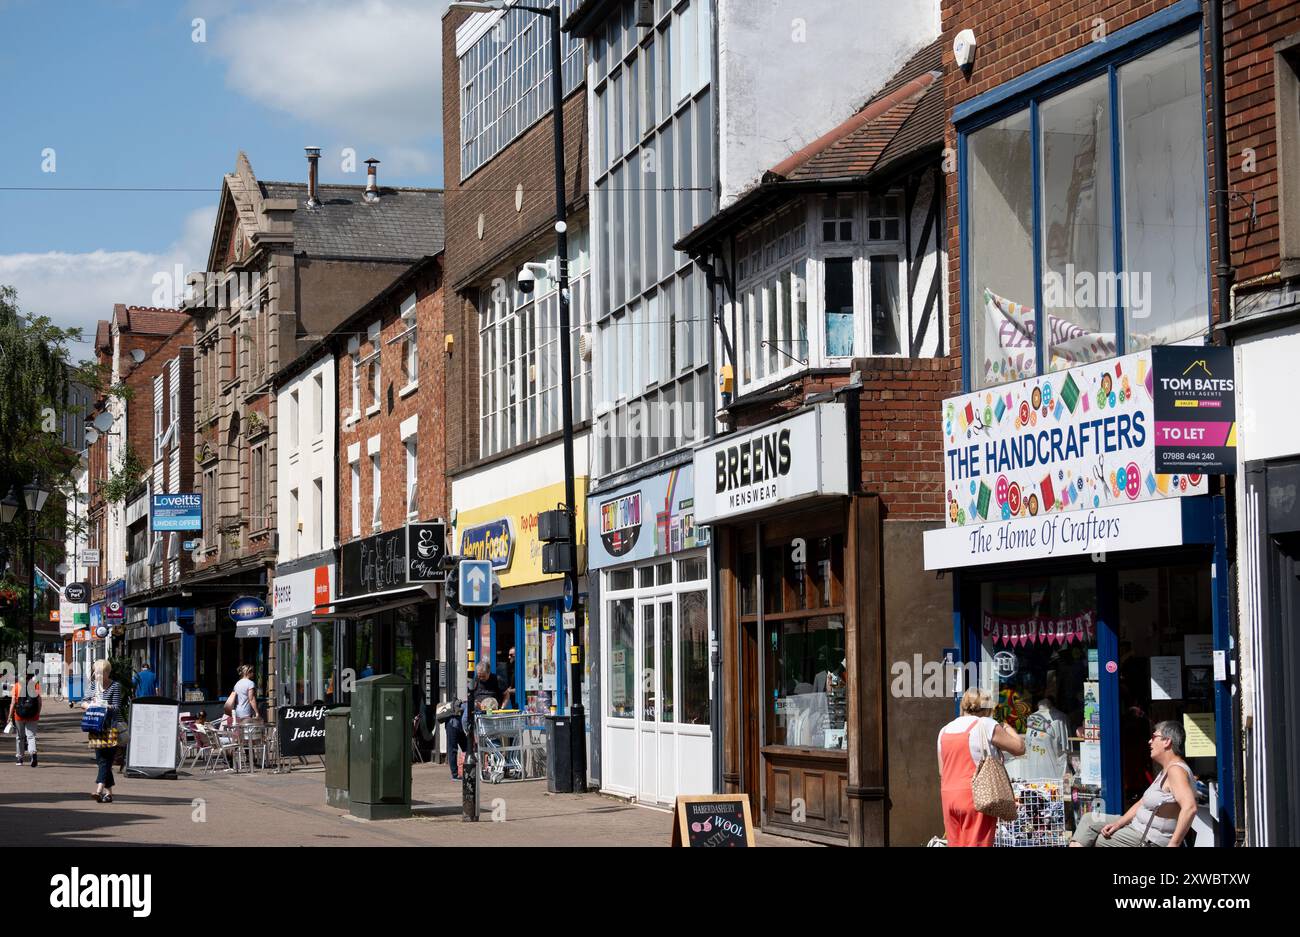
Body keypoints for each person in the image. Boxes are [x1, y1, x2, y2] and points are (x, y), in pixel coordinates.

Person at [1071, 720, 1198, 847]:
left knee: (1098, 840)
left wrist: (1174, 844)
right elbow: (1142, 802)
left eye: (1154, 737)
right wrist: (1119, 823)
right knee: (1089, 820)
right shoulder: (1165, 770)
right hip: (1137, 826)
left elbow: (1190, 808)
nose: (1150, 741)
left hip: (1148, 838)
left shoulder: (1176, 771)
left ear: (1167, 741)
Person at [937, 687, 1026, 846]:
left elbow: (941, 771)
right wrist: (1005, 726)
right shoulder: (986, 724)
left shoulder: (944, 730)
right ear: (988, 708)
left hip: (948, 797)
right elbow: (1019, 748)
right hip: (976, 796)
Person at [82, 660, 125, 803]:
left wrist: (104, 706)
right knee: (102, 760)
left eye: (100, 673)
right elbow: (83, 701)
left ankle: (99, 789)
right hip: (96, 726)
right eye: (96, 672)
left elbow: (117, 707)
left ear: (108, 673)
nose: (97, 675)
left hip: (111, 726)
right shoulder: (93, 685)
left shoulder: (115, 686)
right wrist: (89, 705)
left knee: (106, 760)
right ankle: (109, 794)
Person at [8, 673, 41, 767]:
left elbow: (13, 702)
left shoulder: (17, 686)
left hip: (19, 715)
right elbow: (39, 702)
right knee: (31, 736)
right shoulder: (36, 685)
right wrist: (37, 713)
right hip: (33, 716)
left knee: (20, 737)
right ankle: (33, 754)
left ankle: (19, 758)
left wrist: (10, 716)